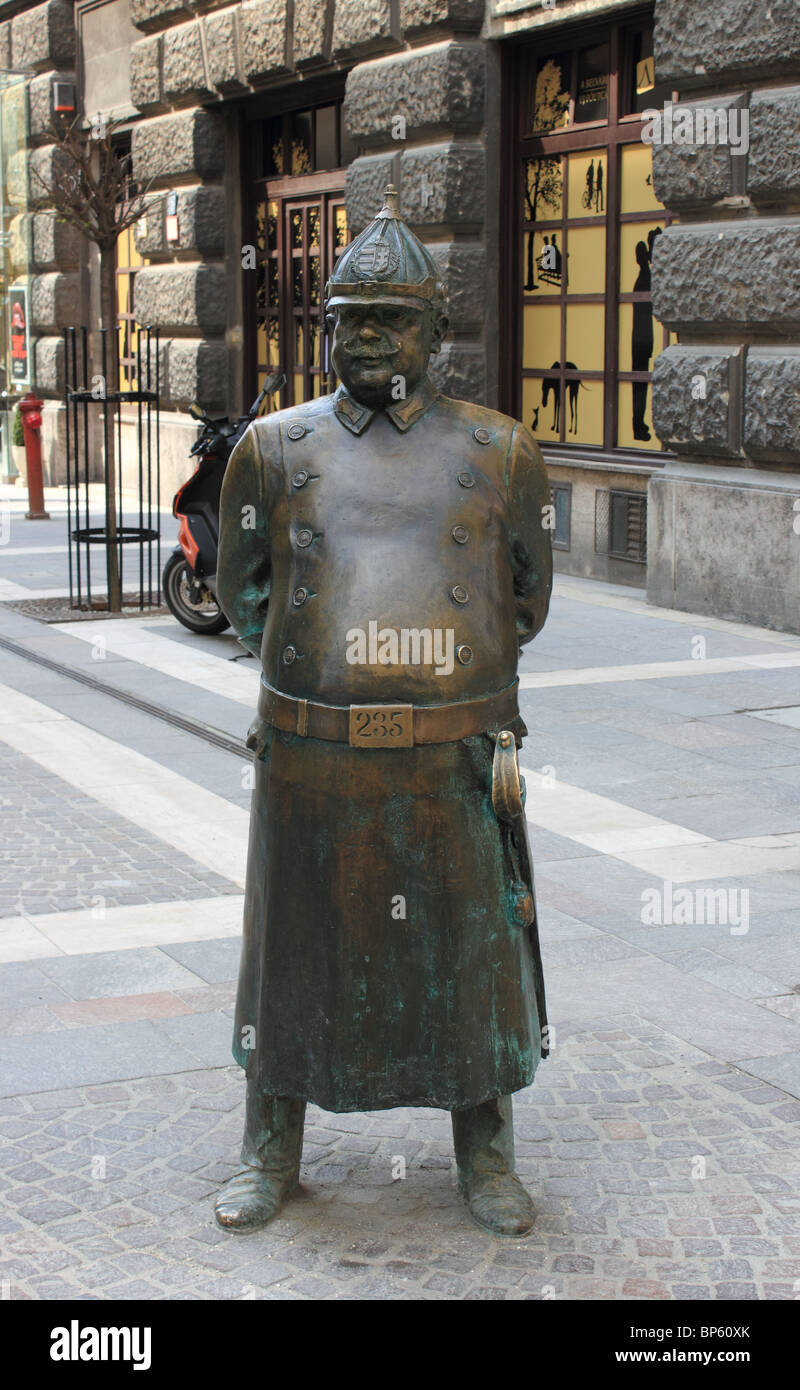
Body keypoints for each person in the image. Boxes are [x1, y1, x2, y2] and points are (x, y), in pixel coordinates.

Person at [214, 187, 553, 1237]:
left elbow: (524, 597)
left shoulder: (499, 452)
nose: (367, 336)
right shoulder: (270, 450)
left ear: (433, 330)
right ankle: (269, 1146)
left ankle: (484, 1150)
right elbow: (244, 592)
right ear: (324, 328)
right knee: (294, 949)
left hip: (451, 756)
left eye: (390, 317)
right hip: (312, 755)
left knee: (468, 952)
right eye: (348, 317)